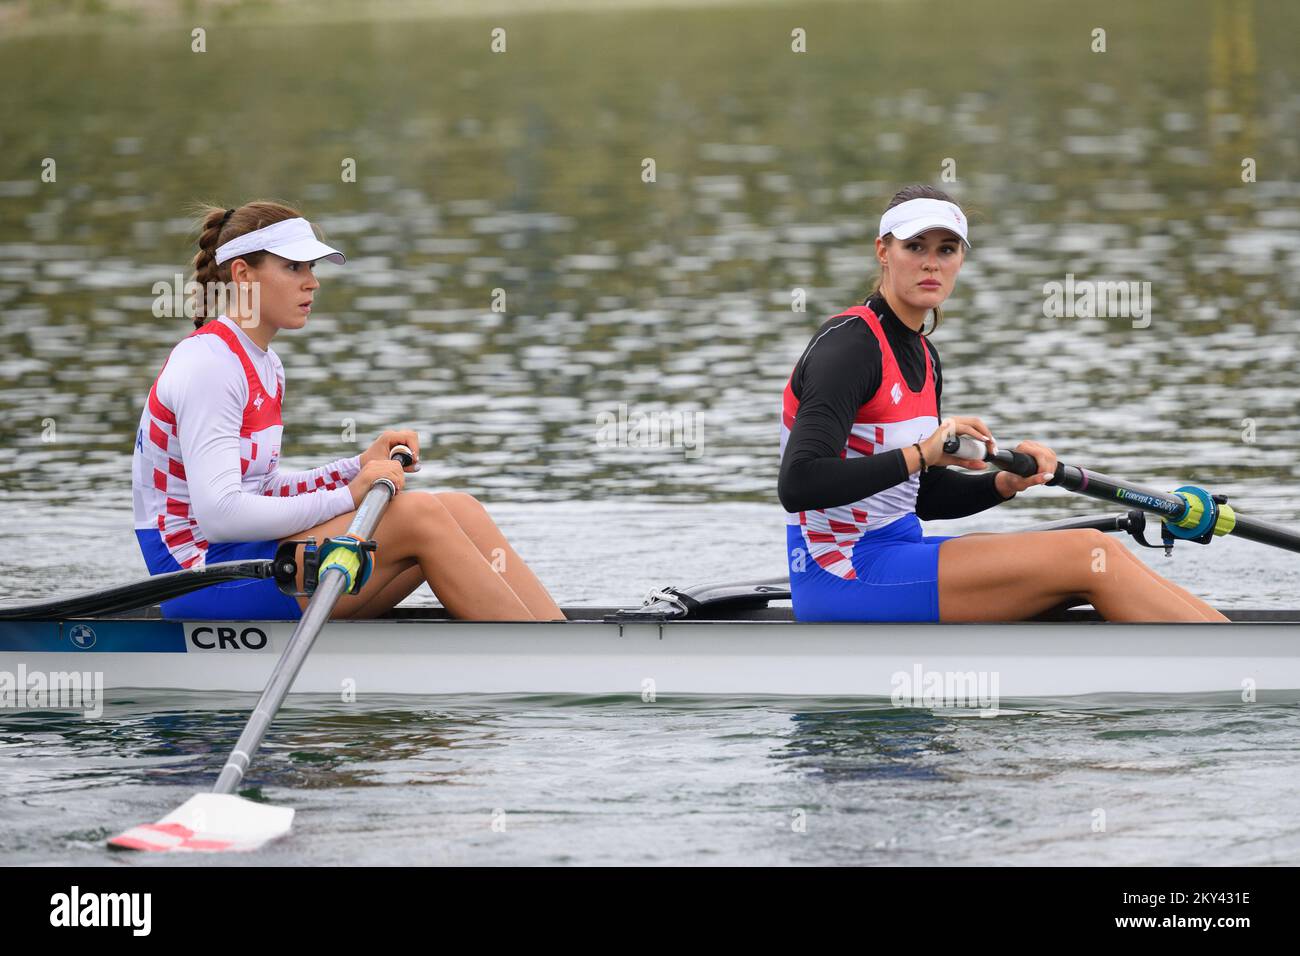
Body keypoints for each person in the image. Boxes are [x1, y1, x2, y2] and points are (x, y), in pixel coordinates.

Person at [778, 185, 1227, 623]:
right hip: (839, 570)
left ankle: (1226, 646)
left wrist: (1005, 482)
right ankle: (1235, 668)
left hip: (898, 550)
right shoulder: (849, 348)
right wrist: (922, 454)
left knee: (1098, 556)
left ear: (961, 260)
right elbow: (798, 484)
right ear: (883, 251)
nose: (931, 263)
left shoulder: (924, 356)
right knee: (1092, 553)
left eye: (947, 250)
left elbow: (923, 498)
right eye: (915, 246)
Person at [132, 200, 563, 622]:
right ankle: (547, 663)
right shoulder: (209, 364)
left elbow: (260, 487)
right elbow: (223, 515)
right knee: (418, 515)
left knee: (459, 508)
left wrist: (355, 467)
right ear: (243, 274)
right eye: (294, 267)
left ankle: (555, 639)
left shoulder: (264, 364)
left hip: (251, 560)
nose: (312, 283)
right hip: (201, 577)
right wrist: (348, 495)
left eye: (312, 268)